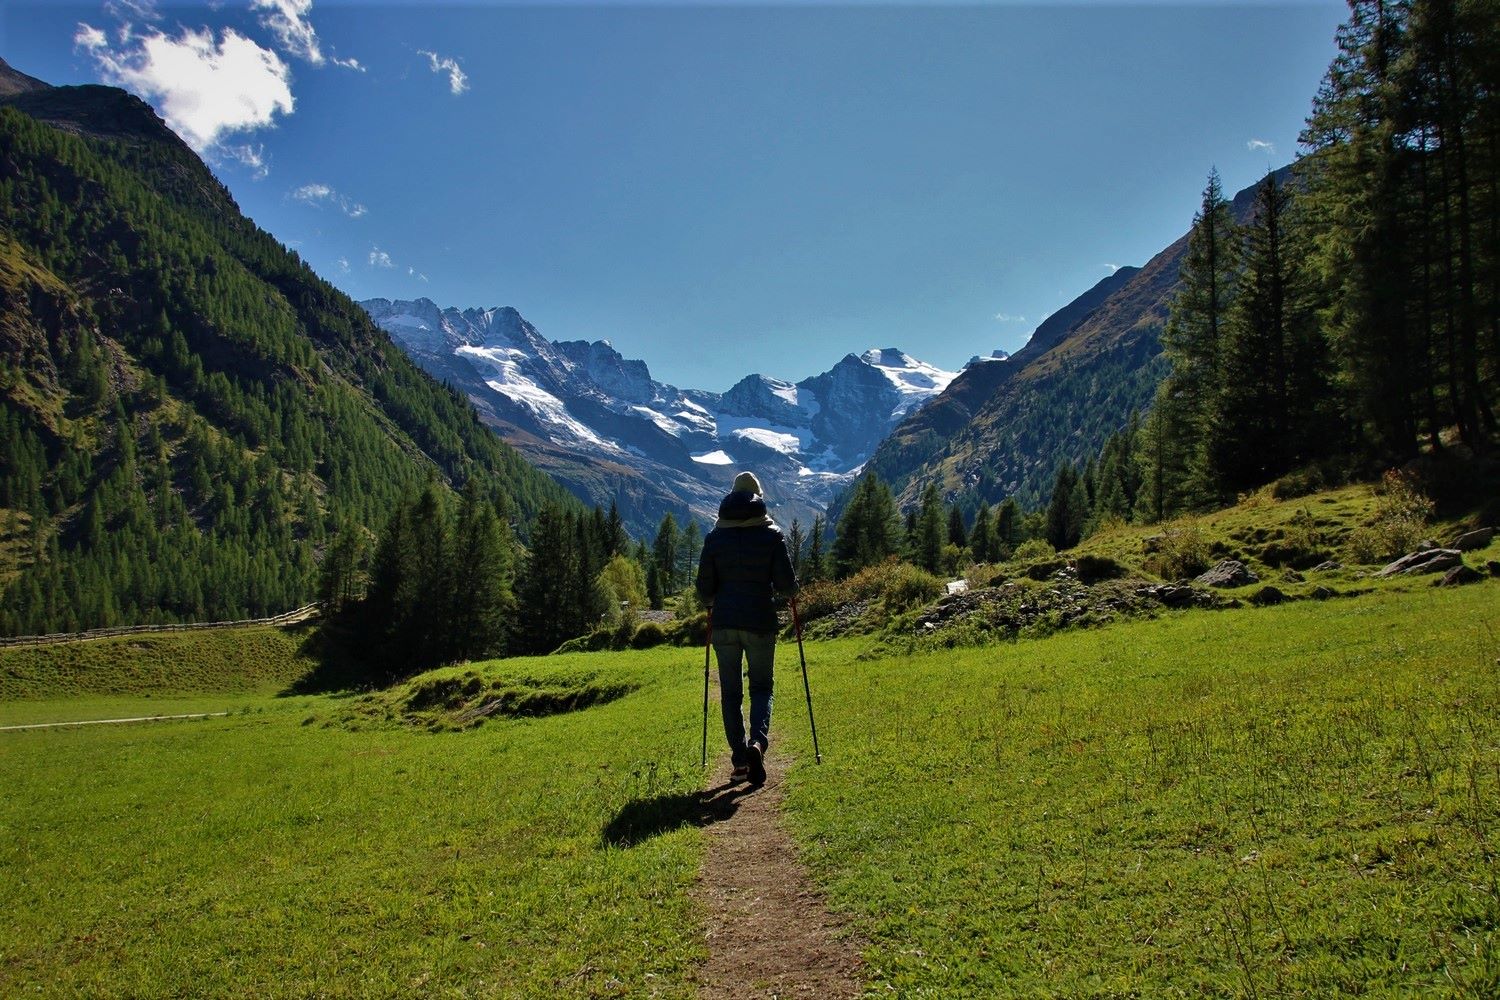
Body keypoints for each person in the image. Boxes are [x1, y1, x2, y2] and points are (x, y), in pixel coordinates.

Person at [696, 471, 797, 785]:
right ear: (759, 500)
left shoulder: (714, 538)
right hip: (760, 622)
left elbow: (703, 590)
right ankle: (758, 743)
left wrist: (715, 598)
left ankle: (740, 760)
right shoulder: (772, 536)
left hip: (724, 623)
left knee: (730, 693)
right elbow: (786, 586)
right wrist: (793, 590)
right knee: (762, 687)